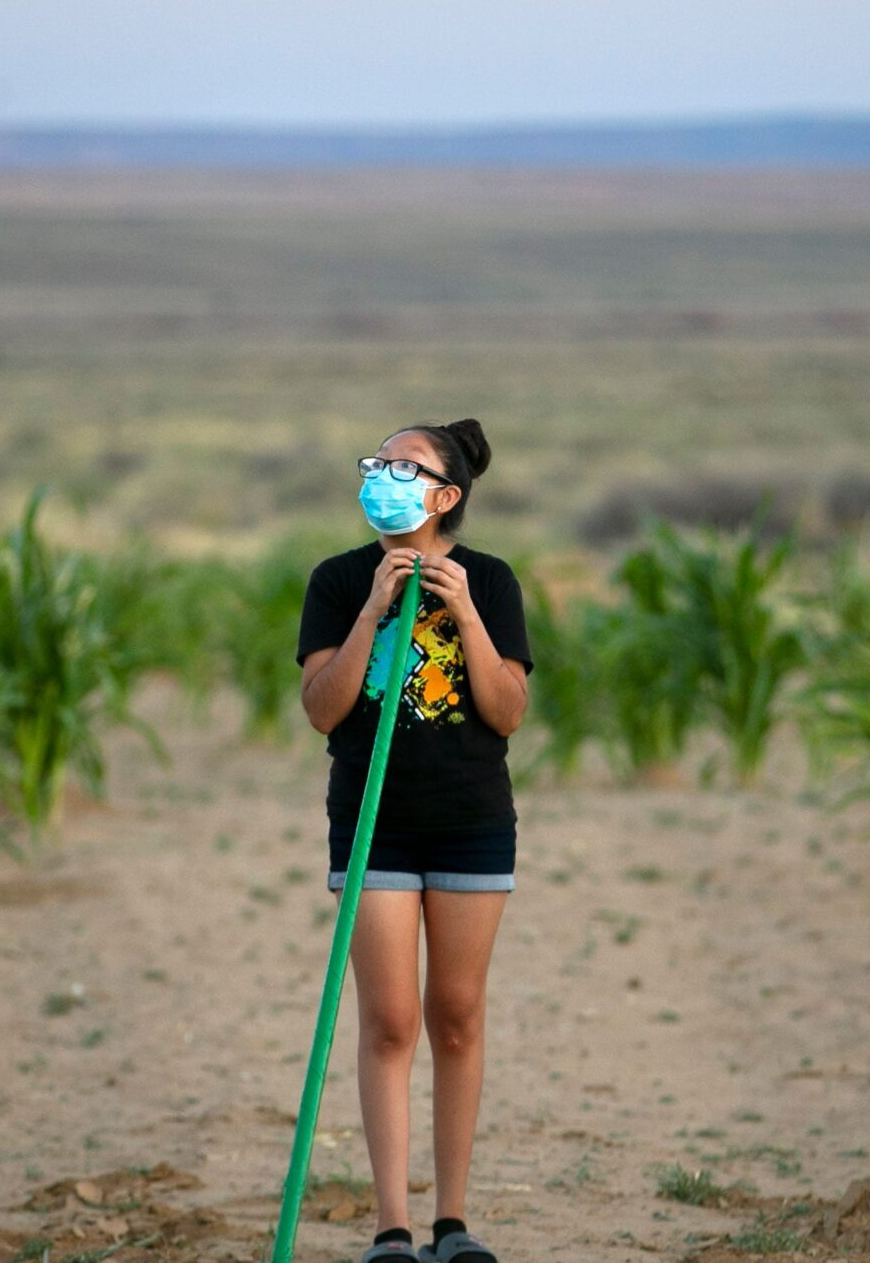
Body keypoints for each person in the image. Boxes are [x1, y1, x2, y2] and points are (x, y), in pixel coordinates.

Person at [295, 418, 534, 1263]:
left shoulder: (494, 582)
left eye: (406, 465)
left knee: (458, 1018)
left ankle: (453, 1225)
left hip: (471, 820)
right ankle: (393, 1230)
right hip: (372, 820)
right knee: (390, 1019)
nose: (384, 474)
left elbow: (506, 711)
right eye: (378, 461)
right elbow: (323, 706)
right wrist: (373, 609)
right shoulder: (337, 579)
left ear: (446, 495)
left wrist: (463, 609)